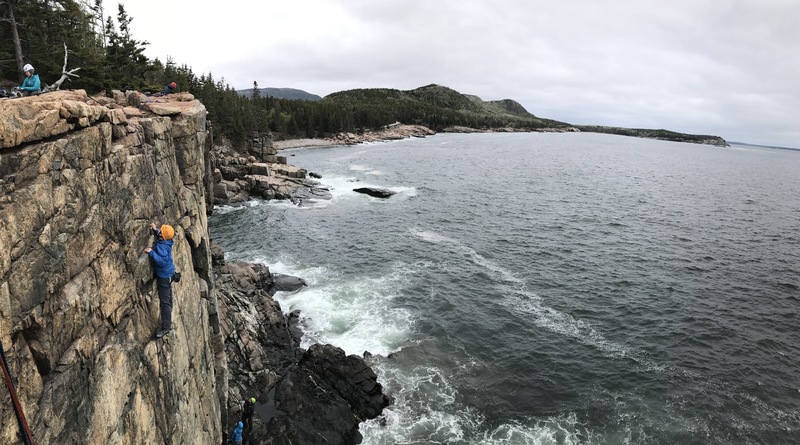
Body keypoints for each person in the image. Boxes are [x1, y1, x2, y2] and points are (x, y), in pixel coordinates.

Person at [144, 223, 175, 338]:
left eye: (160, 231)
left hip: (164, 277)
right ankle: (169, 309)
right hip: (170, 273)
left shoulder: (162, 247)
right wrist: (155, 229)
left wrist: (151, 252)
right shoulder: (167, 241)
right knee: (168, 299)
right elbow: (162, 236)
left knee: (165, 303)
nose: (159, 232)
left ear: (162, 235)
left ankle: (166, 327)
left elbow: (161, 261)